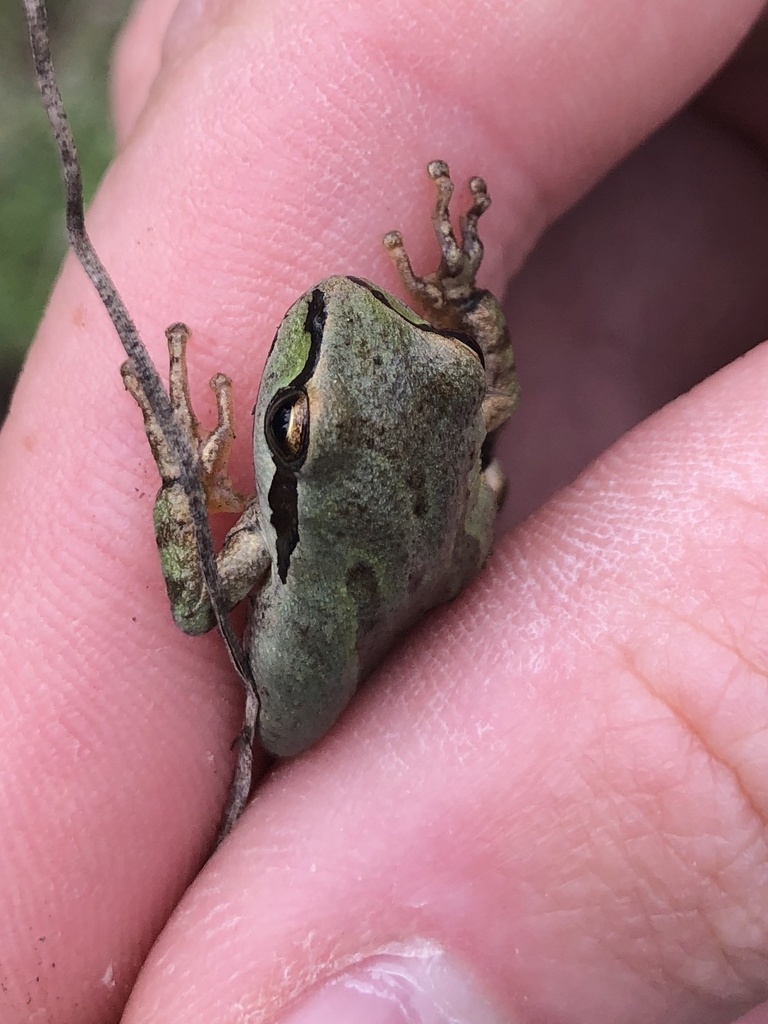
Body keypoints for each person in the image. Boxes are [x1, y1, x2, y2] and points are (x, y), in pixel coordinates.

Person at [2, 0, 768, 1021]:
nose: (349, 303)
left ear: (288, 447)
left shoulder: (291, 541)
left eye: (293, 422)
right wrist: (464, 312)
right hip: (412, 568)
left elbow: (195, 600)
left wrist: (184, 472)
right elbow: (488, 393)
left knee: (290, 666)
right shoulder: (454, 446)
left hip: (355, 609)